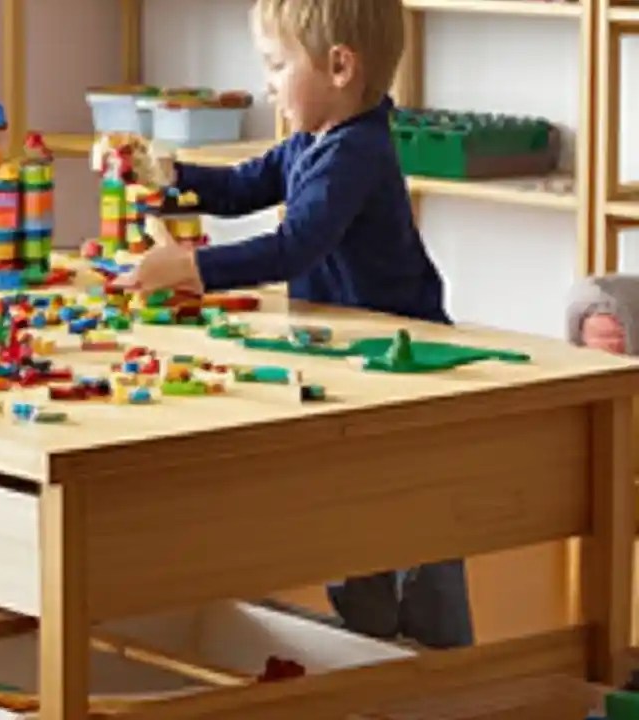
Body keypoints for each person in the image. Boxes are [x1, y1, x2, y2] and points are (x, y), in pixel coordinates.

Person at [119, 0, 472, 649]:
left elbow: (293, 247)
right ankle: (368, 635)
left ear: (339, 67)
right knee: (355, 492)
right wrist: (170, 181)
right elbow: (240, 187)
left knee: (419, 505)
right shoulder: (312, 143)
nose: (267, 84)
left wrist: (189, 267)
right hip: (353, 351)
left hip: (406, 351)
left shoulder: (355, 153)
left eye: (277, 66)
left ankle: (441, 649)